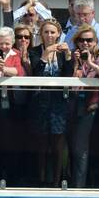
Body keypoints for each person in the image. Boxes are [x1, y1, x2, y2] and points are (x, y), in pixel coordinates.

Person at [27, 18, 73, 187]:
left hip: (58, 101)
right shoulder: (34, 51)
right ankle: (40, 180)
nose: (49, 35)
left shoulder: (62, 52)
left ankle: (56, 181)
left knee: (58, 142)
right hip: (40, 100)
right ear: (41, 34)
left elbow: (69, 75)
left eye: (52, 32)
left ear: (58, 34)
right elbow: (35, 72)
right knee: (41, 143)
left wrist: (68, 56)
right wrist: (45, 56)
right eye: (46, 32)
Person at [68, 25, 99, 188]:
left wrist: (90, 63)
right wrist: (75, 64)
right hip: (70, 104)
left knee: (81, 148)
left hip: (90, 107)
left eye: (89, 40)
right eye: (82, 40)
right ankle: (69, 182)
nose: (85, 43)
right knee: (70, 146)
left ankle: (78, 187)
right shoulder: (71, 56)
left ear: (95, 42)